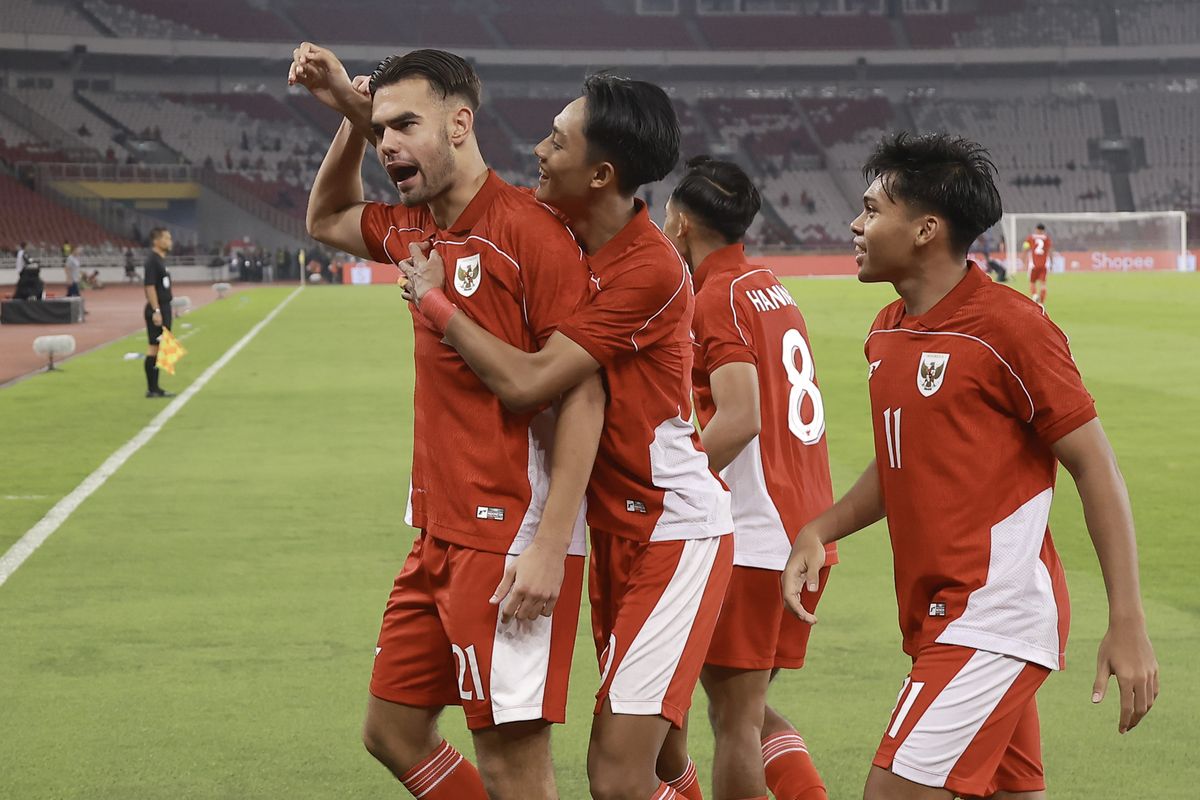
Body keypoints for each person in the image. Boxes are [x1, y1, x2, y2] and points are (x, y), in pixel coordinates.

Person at [783, 132, 1159, 800]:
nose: (855, 225)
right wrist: (821, 527)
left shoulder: (1012, 327)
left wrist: (1127, 620)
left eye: (871, 210)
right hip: (938, 617)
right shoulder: (886, 329)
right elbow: (901, 463)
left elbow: (1095, 466)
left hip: (990, 616)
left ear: (926, 229)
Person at [401, 74, 734, 800]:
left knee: (616, 775)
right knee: (660, 759)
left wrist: (435, 302)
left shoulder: (648, 269)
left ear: (601, 174)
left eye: (556, 141)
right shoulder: (564, 235)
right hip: (614, 529)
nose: (539, 151)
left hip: (671, 531)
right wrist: (357, 109)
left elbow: (531, 382)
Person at [293, 43, 604, 800]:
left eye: (405, 125)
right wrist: (351, 120)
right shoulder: (412, 225)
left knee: (513, 767)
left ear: (460, 124)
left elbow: (584, 393)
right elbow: (326, 218)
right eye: (381, 130)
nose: (388, 144)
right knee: (393, 731)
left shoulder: (531, 232)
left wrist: (550, 546)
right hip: (437, 529)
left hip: (509, 540)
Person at [653, 156, 835, 800]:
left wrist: (668, 487)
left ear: (680, 222)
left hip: (757, 535)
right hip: (804, 527)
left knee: (733, 720)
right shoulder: (767, 285)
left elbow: (741, 417)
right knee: (742, 709)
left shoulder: (715, 297)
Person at [143, 227, 175, 398]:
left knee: (162, 348)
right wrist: (156, 310)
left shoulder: (161, 260)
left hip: (165, 307)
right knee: (154, 349)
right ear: (156, 241)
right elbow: (150, 287)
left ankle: (156, 387)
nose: (170, 241)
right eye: (166, 238)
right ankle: (152, 388)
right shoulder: (152, 261)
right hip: (158, 308)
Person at [1023, 223, 1051, 306]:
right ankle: (1041, 303)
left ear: (1036, 229)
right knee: (1043, 284)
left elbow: (1025, 248)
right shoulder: (1046, 238)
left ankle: (1035, 296)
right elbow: (1049, 250)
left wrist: (1023, 260)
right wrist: (1052, 262)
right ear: (1043, 230)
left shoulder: (1030, 237)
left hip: (1033, 265)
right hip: (1044, 265)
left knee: (1032, 282)